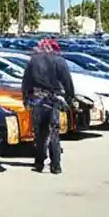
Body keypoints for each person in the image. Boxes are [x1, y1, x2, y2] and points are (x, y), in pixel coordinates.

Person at [20, 37, 74, 174]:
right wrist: (70, 98)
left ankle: (39, 163)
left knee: (39, 133)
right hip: (53, 99)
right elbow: (67, 82)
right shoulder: (59, 61)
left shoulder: (33, 60)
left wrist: (25, 98)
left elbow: (26, 81)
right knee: (53, 132)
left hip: (37, 98)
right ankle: (55, 165)